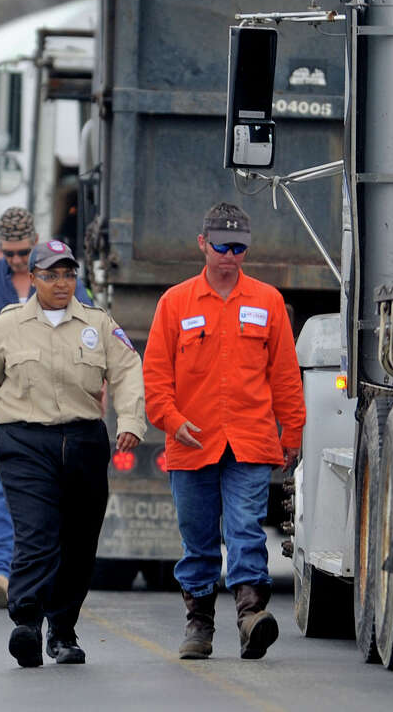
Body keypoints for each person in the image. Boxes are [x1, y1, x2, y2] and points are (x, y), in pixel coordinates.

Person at [0, 240, 144, 667]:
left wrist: (131, 422)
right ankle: (26, 622)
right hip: (24, 443)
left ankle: (62, 631)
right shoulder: (8, 326)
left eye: (68, 275)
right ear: (34, 279)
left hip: (82, 443)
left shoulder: (97, 323)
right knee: (37, 533)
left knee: (78, 543)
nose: (62, 283)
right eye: (52, 275)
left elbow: (129, 371)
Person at [141, 202, 305, 661]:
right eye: (221, 247)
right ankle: (199, 625)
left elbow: (285, 375)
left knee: (246, 529)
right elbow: (154, 379)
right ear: (202, 244)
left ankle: (251, 616)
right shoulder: (175, 304)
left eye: (239, 248)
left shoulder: (268, 301)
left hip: (250, 439)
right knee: (197, 537)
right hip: (192, 443)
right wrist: (174, 422)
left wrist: (292, 431)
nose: (230, 256)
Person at [0, 207, 93, 610]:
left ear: (36, 244)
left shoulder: (62, 280)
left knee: (52, 497)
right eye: (8, 253)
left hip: (57, 414)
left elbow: (96, 332)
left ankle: (43, 573)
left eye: (22, 252)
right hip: (0, 413)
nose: (14, 260)